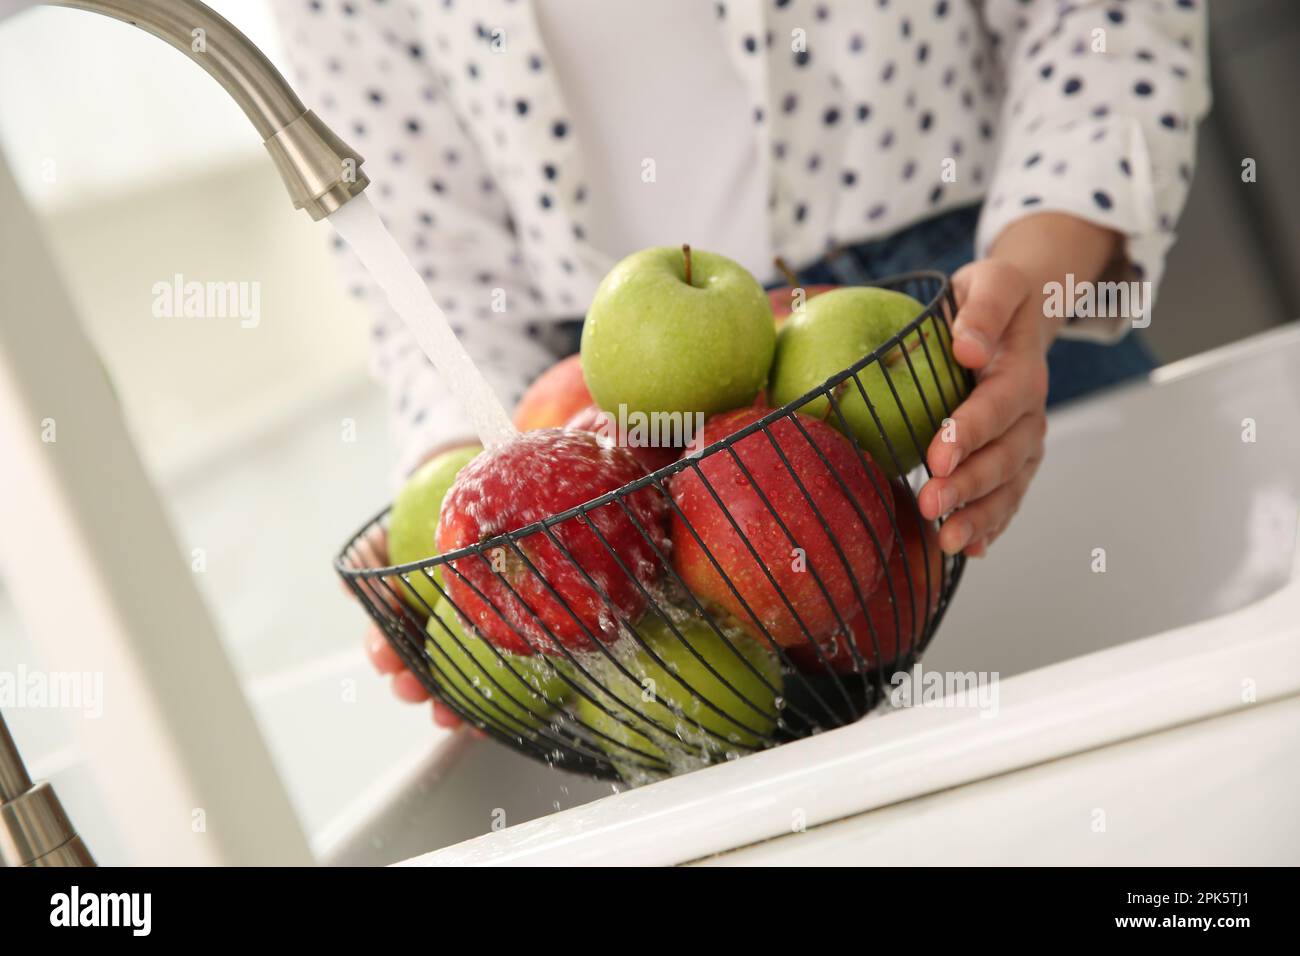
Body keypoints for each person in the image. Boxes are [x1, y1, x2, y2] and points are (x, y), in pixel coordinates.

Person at [276, 0, 1208, 723]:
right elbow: (427, 255)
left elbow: (1102, 26)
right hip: (622, 463)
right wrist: (475, 542)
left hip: (956, 336)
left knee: (1174, 725)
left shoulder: (984, 330)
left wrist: (1029, 293)